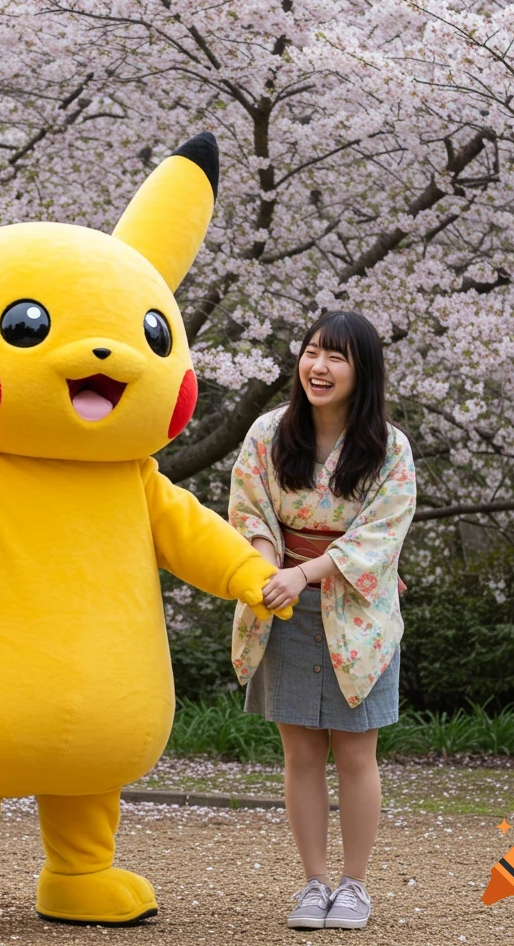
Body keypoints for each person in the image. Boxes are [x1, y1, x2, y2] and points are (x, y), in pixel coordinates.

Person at [228, 309, 416, 931]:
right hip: (282, 605)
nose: (319, 366)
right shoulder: (266, 433)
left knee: (358, 753)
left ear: (363, 370)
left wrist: (304, 574)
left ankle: (354, 886)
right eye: (312, 353)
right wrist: (266, 572)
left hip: (356, 611)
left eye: (336, 356)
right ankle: (312, 883)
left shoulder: (389, 447)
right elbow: (250, 511)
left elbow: (379, 537)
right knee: (300, 754)